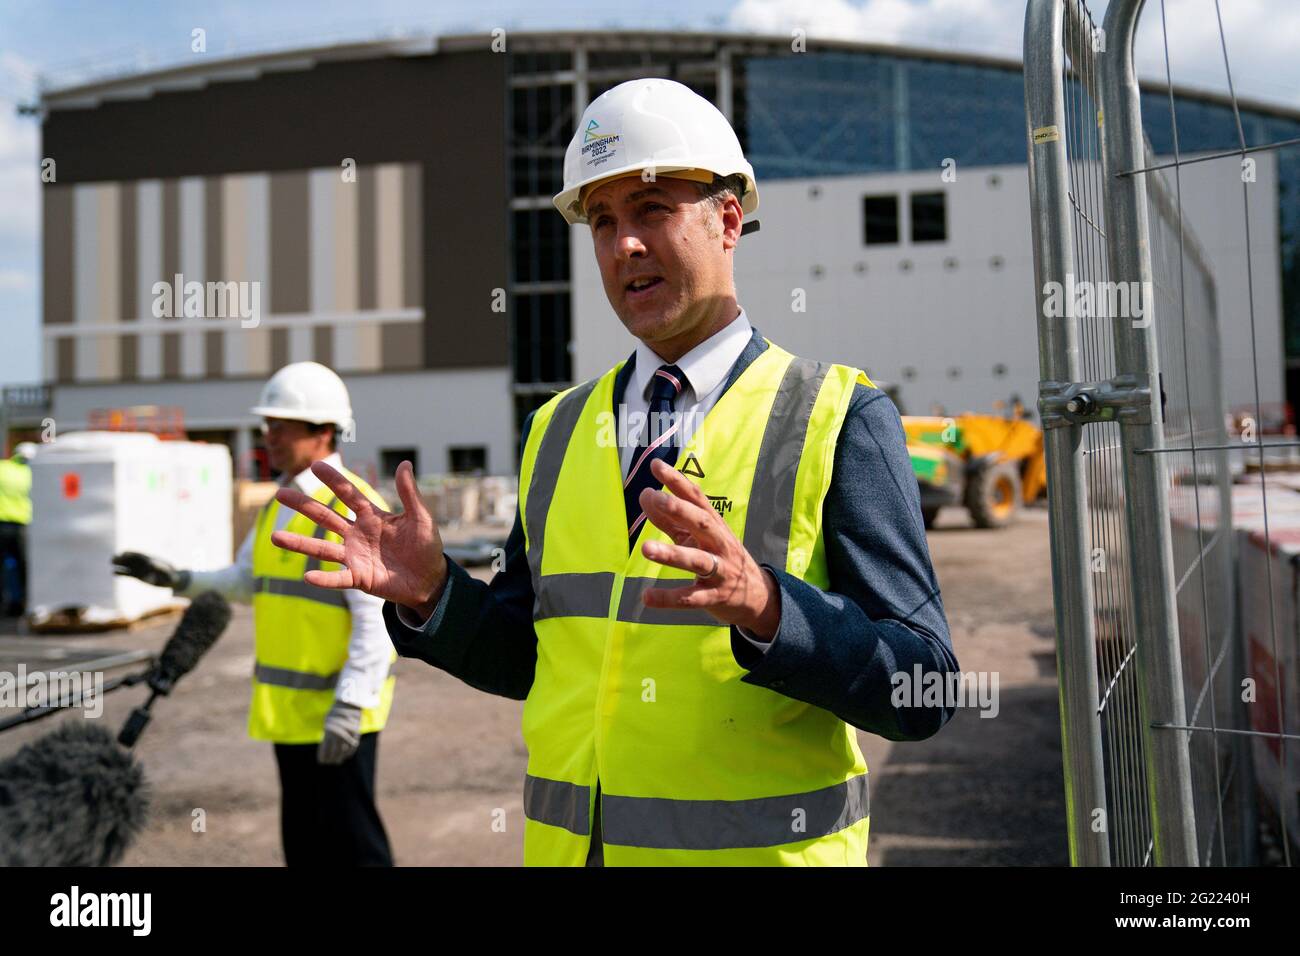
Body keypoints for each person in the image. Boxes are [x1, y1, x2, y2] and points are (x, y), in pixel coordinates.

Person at [273, 79, 958, 866]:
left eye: (652, 210)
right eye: (602, 221)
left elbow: (923, 686)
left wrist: (773, 609)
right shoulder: (556, 430)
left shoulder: (839, 415)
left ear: (728, 219)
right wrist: (437, 595)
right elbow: (531, 657)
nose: (623, 245)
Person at [113, 362, 396, 866]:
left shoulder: (352, 507)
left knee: (355, 850)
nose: (270, 436)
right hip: (291, 719)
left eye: (282, 426)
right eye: (268, 425)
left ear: (323, 431)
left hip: (337, 718)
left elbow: (376, 622)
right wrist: (177, 579)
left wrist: (351, 705)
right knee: (307, 850)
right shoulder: (278, 505)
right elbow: (247, 581)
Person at [0, 443, 35, 617]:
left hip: (1, 524)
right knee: (23, 566)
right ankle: (22, 602)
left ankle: (6, 602)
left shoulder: (2, 469)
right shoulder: (32, 473)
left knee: (6, 565)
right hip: (22, 526)